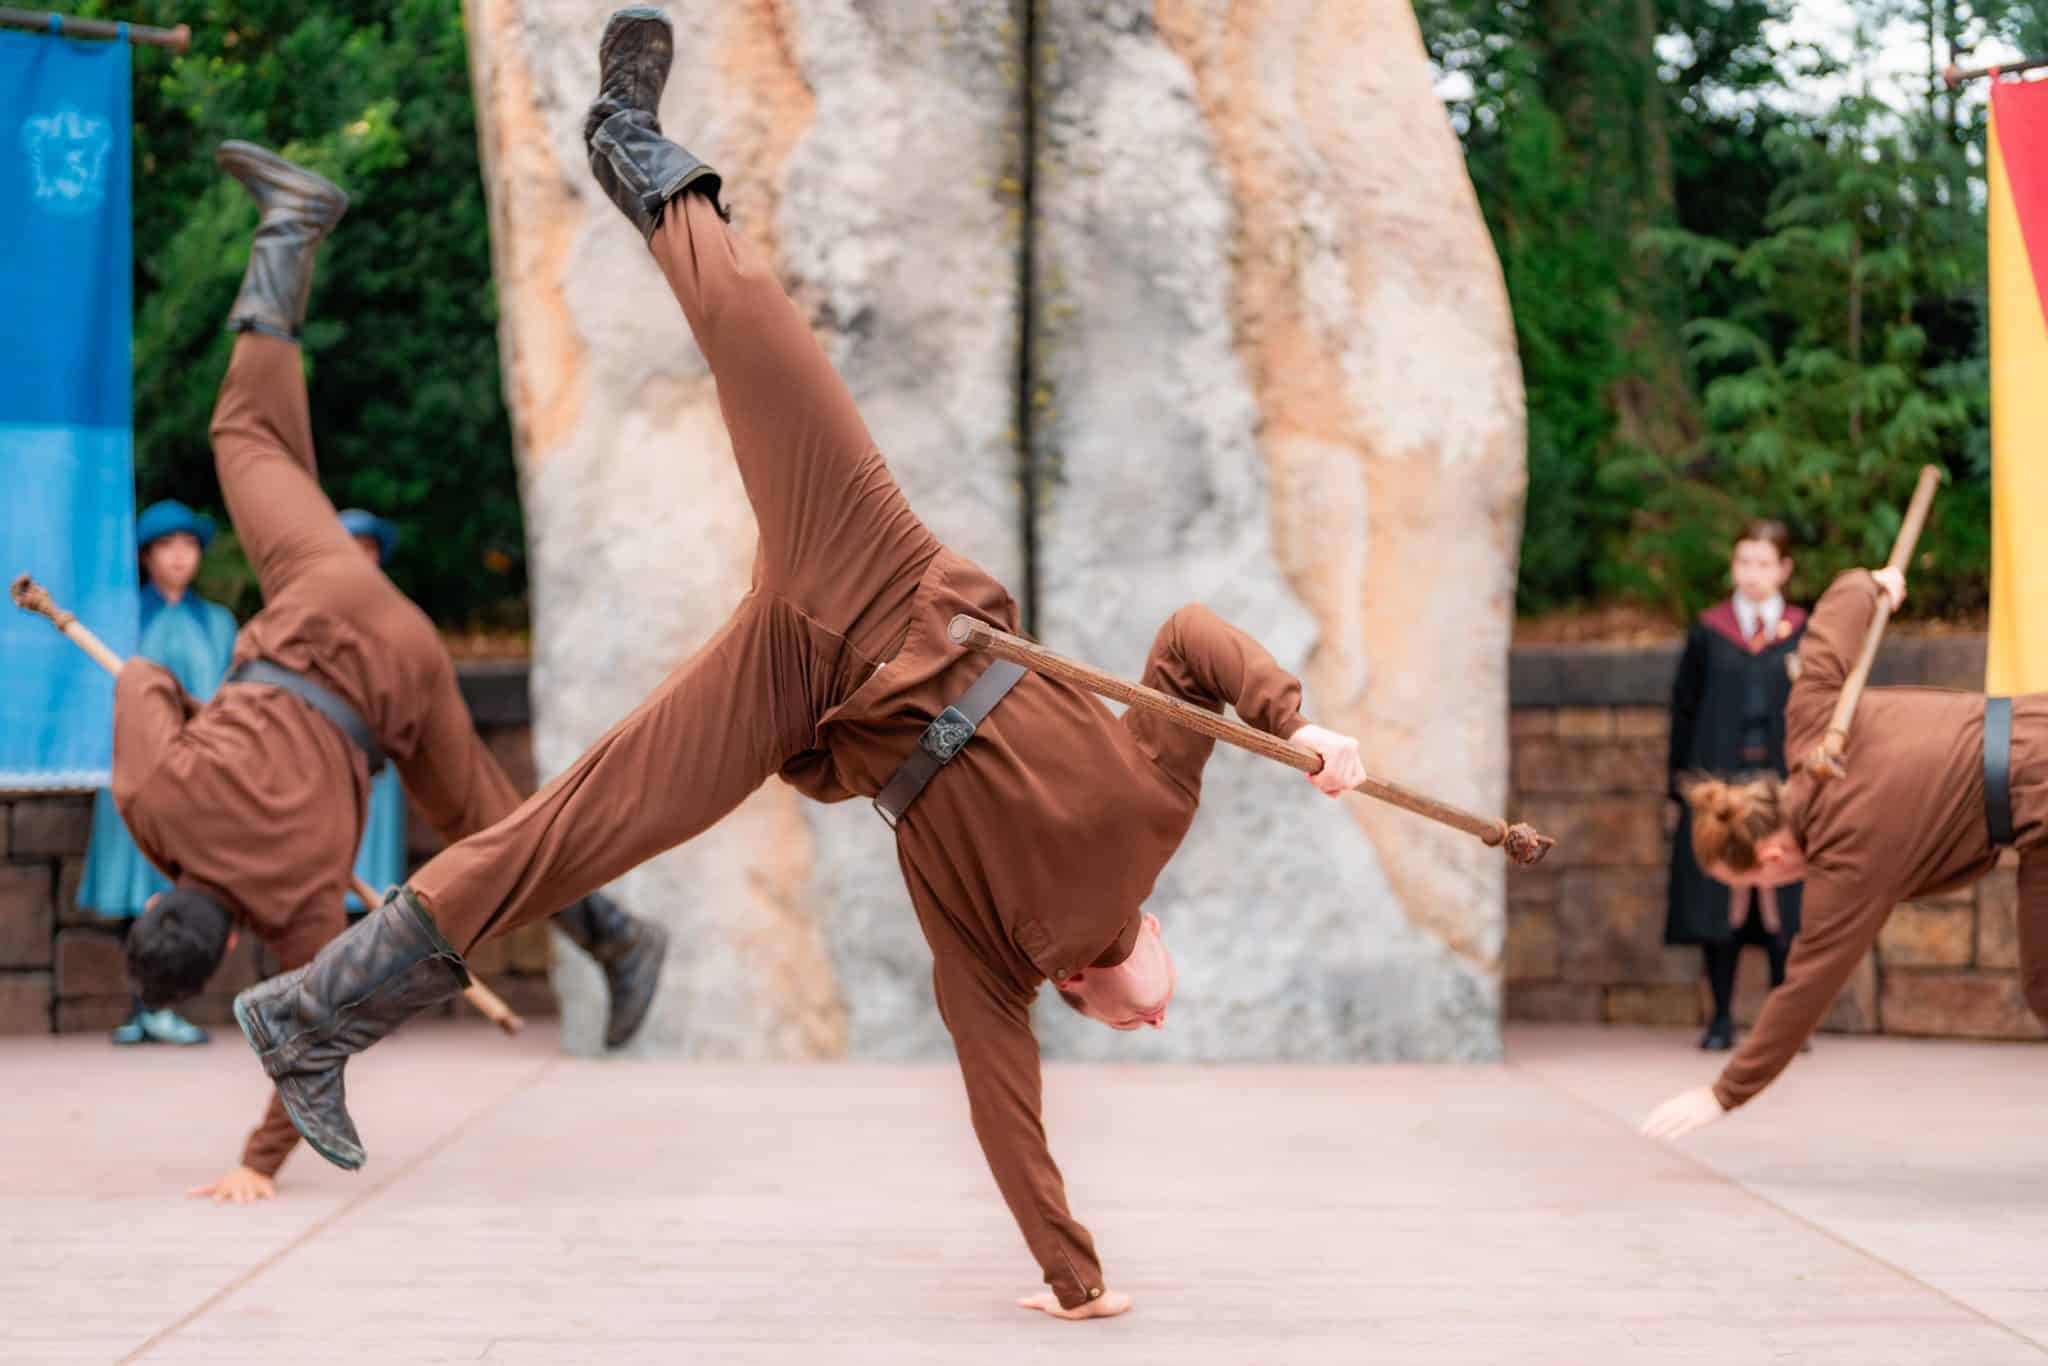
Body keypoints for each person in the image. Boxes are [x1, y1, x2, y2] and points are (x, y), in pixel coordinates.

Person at [231, 6, 1369, 1320]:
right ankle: (632, 146)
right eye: (1156, 1003)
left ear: (1072, 986)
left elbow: (1009, 1118)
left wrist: (1075, 1276)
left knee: (580, 828)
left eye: (1131, 1022)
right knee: (753, 321)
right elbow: (1188, 642)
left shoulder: (996, 966)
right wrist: (1303, 727)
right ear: (1147, 935)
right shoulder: (1158, 803)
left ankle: (314, 1014)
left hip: (804, 688)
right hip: (883, 575)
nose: (1155, 1017)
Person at [111, 140, 668, 1205]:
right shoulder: (153, 803)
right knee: (247, 436)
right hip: (320, 593)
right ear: (166, 900)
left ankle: (615, 933)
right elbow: (141, 676)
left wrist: (254, 1163)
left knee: (500, 834)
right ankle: (291, 223)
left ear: (231, 941)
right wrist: (193, 712)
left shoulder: (301, 919)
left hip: (399, 685)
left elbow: (313, 1046)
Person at [1642, 564, 2048, 1141]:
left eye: (1751, 886)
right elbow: (1832, 625)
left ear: (1772, 858)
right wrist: (1871, 583)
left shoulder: (1846, 860)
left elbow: (1803, 990)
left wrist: (1723, 1093)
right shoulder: (1810, 725)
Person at [79, 500, 240, 1045]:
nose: (178, 557)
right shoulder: (118, 618)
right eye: (165, 546)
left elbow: (230, 699)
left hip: (193, 773)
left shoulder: (217, 623)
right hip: (132, 772)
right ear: (146, 555)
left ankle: (168, 1004)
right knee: (131, 885)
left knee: (183, 886)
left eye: (188, 545)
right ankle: (140, 1006)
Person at [1666, 520, 1807, 1050]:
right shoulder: (1709, 631)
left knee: (1783, 902)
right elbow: (1684, 709)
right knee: (1718, 899)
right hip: (1720, 781)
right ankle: (1720, 1017)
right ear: (1732, 566)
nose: (1752, 573)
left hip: (1781, 785)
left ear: (1784, 570)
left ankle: (1784, 1021)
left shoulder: (1802, 629)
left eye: (1764, 563)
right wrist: (1680, 784)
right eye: (1744, 562)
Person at [337, 509, 408, 912]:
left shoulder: (396, 613)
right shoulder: (312, 611)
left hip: (382, 750)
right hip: (331, 752)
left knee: (378, 857)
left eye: (369, 549)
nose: (362, 558)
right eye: (352, 548)